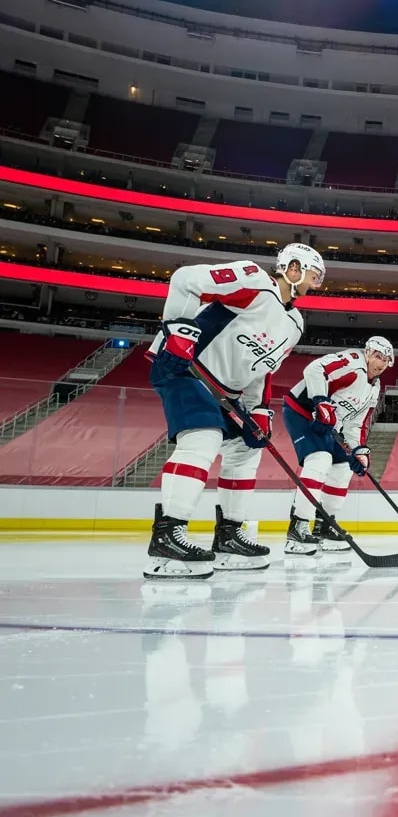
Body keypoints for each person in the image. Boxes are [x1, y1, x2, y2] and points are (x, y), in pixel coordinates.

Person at [144, 243, 326, 579]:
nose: (316, 284)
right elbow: (185, 280)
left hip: (226, 392)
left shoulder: (295, 323)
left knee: (245, 450)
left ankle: (228, 536)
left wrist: (258, 409)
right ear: (293, 268)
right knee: (203, 436)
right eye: (313, 275)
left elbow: (264, 367)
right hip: (187, 368)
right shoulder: (253, 279)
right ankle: (167, 535)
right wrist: (178, 330)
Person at [282, 336, 396, 554]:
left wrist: (359, 450)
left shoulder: (374, 387)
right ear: (368, 353)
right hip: (302, 411)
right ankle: (298, 527)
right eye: (378, 356)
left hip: (330, 425)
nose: (381, 363)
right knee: (320, 459)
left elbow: (356, 424)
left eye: (386, 359)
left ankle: (323, 526)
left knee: (343, 467)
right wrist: (320, 401)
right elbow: (315, 369)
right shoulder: (352, 361)